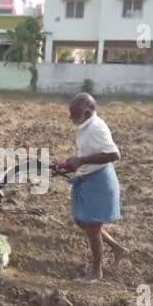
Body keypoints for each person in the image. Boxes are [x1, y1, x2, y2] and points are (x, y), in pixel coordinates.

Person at [53, 93, 128, 283]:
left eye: (74, 113)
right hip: (88, 178)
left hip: (99, 182)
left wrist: (82, 160)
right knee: (84, 222)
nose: (70, 117)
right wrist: (67, 164)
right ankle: (117, 248)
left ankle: (96, 272)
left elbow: (114, 154)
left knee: (93, 228)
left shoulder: (96, 127)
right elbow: (87, 155)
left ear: (86, 112)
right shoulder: (86, 127)